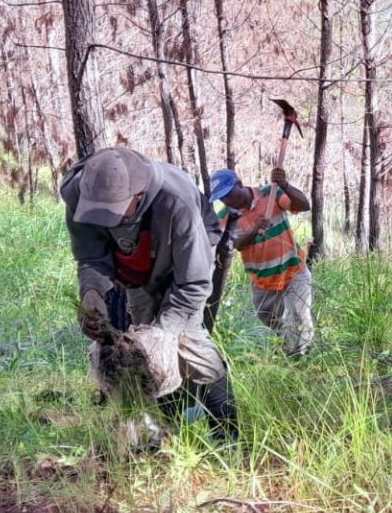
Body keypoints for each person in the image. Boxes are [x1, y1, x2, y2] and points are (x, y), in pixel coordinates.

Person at [61, 146, 238, 439]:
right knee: (145, 352)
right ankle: (172, 429)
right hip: (139, 267)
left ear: (139, 196)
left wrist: (164, 332)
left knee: (187, 341)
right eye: (99, 214)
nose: (106, 222)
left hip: (190, 253)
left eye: (114, 213)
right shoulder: (80, 193)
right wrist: (92, 293)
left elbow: (193, 283)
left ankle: (227, 435)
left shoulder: (176, 201)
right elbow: (91, 258)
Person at [209, 167, 314, 357]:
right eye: (221, 198)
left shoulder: (270, 194)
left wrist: (285, 185)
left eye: (228, 194)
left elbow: (304, 205)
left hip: (293, 270)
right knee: (270, 319)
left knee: (299, 318)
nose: (226, 200)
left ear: (239, 184)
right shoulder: (226, 216)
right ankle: (286, 348)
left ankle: (301, 359)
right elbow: (229, 245)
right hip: (263, 282)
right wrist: (254, 230)